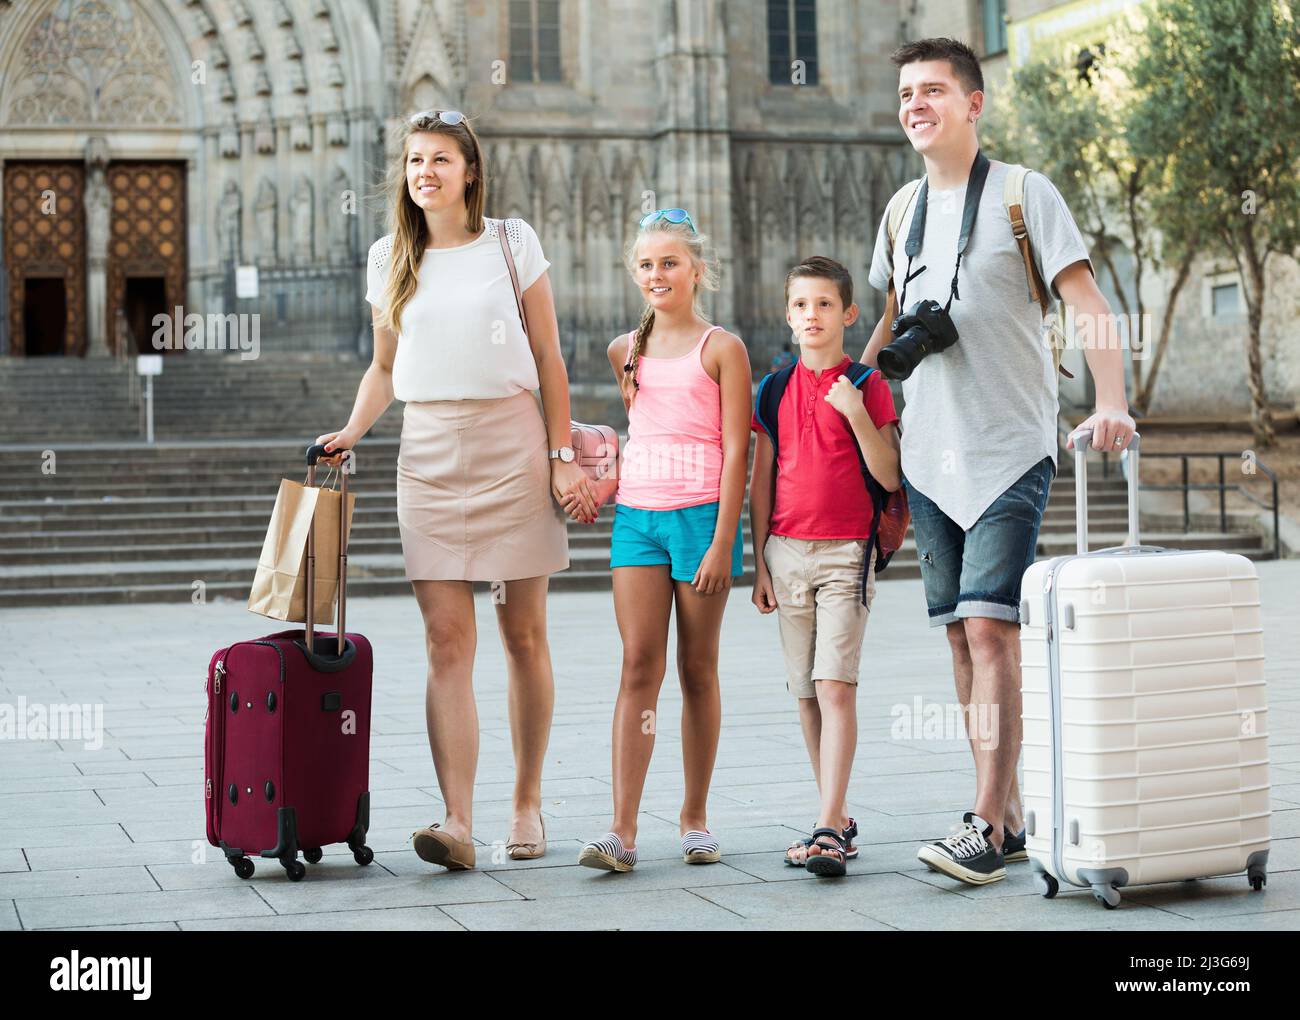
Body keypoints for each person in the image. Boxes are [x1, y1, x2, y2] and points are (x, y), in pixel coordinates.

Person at [862, 39, 1135, 885]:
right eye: (907, 92)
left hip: (1012, 444)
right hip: (929, 456)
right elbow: (889, 321)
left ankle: (981, 821)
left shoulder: (1024, 194)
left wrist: (1112, 399)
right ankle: (1007, 816)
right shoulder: (901, 208)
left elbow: (1089, 303)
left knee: (991, 626)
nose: (917, 104)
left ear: (973, 104)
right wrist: (848, 398)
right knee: (960, 636)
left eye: (934, 90)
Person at [315, 110, 597, 871]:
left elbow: (549, 355)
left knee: (523, 634)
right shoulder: (388, 258)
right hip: (428, 452)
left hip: (512, 443)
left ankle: (527, 803)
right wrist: (349, 431)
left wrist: (561, 454)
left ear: (469, 171)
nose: (425, 172)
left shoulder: (512, 242)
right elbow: (383, 368)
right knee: (446, 641)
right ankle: (459, 821)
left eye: (440, 159)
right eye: (414, 161)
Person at [571, 209, 750, 872]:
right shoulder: (627, 350)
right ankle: (621, 830)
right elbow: (643, 435)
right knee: (637, 665)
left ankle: (695, 818)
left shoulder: (722, 348)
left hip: (703, 521)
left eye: (670, 263)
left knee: (697, 669)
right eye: (646, 264)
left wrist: (722, 540)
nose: (657, 274)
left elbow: (736, 451)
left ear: (698, 271)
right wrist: (604, 485)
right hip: (638, 521)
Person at [750, 256, 900, 878]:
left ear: (848, 314)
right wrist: (757, 560)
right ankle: (832, 818)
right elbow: (762, 480)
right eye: (802, 305)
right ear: (788, 315)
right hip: (785, 552)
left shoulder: (868, 385)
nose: (812, 315)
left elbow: (890, 475)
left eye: (825, 305)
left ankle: (827, 828)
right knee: (806, 691)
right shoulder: (773, 388)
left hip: (847, 552)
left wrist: (855, 410)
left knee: (836, 684)